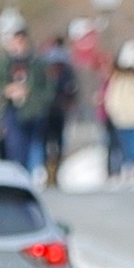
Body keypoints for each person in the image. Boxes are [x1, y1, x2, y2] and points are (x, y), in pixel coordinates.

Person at [0, 31, 55, 178]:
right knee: (15, 144)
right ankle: (18, 173)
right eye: (15, 43)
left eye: (21, 42)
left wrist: (31, 94)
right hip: (12, 109)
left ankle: (36, 170)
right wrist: (7, 90)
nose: (18, 47)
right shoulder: (4, 63)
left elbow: (48, 87)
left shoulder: (38, 63)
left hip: (34, 110)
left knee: (35, 143)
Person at [104, 42, 134, 186]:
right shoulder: (120, 79)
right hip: (127, 118)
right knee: (129, 146)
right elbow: (112, 98)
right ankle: (130, 169)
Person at [42, 36, 77, 185]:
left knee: (48, 141)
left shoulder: (46, 63)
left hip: (50, 108)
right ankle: (53, 172)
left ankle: (51, 171)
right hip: (58, 108)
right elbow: (72, 89)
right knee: (57, 141)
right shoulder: (66, 65)